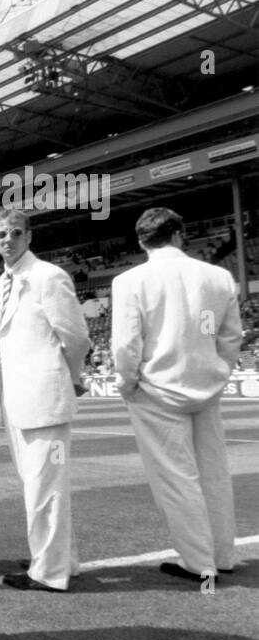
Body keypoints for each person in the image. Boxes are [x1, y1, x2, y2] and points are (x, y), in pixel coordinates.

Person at [112, 207, 242, 582]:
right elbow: (231, 337)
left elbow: (126, 344)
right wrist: (219, 371)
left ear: (140, 241)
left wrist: (127, 384)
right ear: (180, 234)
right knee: (213, 474)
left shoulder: (130, 280)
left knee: (176, 478)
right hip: (206, 386)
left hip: (156, 390)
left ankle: (199, 564)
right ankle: (222, 555)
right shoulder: (218, 276)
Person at [0, 209, 90, 593]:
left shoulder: (48, 276)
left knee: (44, 489)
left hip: (44, 401)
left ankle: (48, 572)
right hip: (16, 402)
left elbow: (76, 337)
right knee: (41, 487)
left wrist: (71, 377)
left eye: (15, 233)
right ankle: (61, 559)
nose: (8, 240)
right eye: (0, 235)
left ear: (29, 236)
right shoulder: (3, 282)